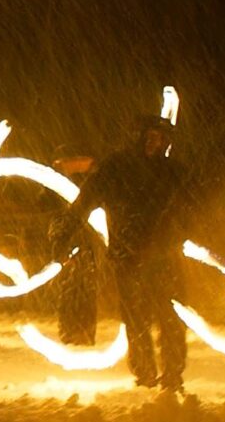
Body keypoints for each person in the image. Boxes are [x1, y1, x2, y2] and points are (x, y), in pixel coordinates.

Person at [59, 115, 191, 391]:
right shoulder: (115, 168)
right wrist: (63, 236)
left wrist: (184, 232)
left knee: (171, 317)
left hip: (163, 254)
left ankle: (172, 374)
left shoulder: (172, 171)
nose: (157, 144)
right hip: (128, 255)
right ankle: (145, 373)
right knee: (136, 318)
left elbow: (193, 206)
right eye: (152, 137)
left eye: (162, 139)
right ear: (139, 136)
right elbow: (85, 202)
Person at [52, 147, 99, 345]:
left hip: (86, 239)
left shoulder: (93, 184)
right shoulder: (55, 185)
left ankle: (83, 332)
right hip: (68, 238)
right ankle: (71, 330)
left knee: (85, 286)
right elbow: (48, 207)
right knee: (70, 286)